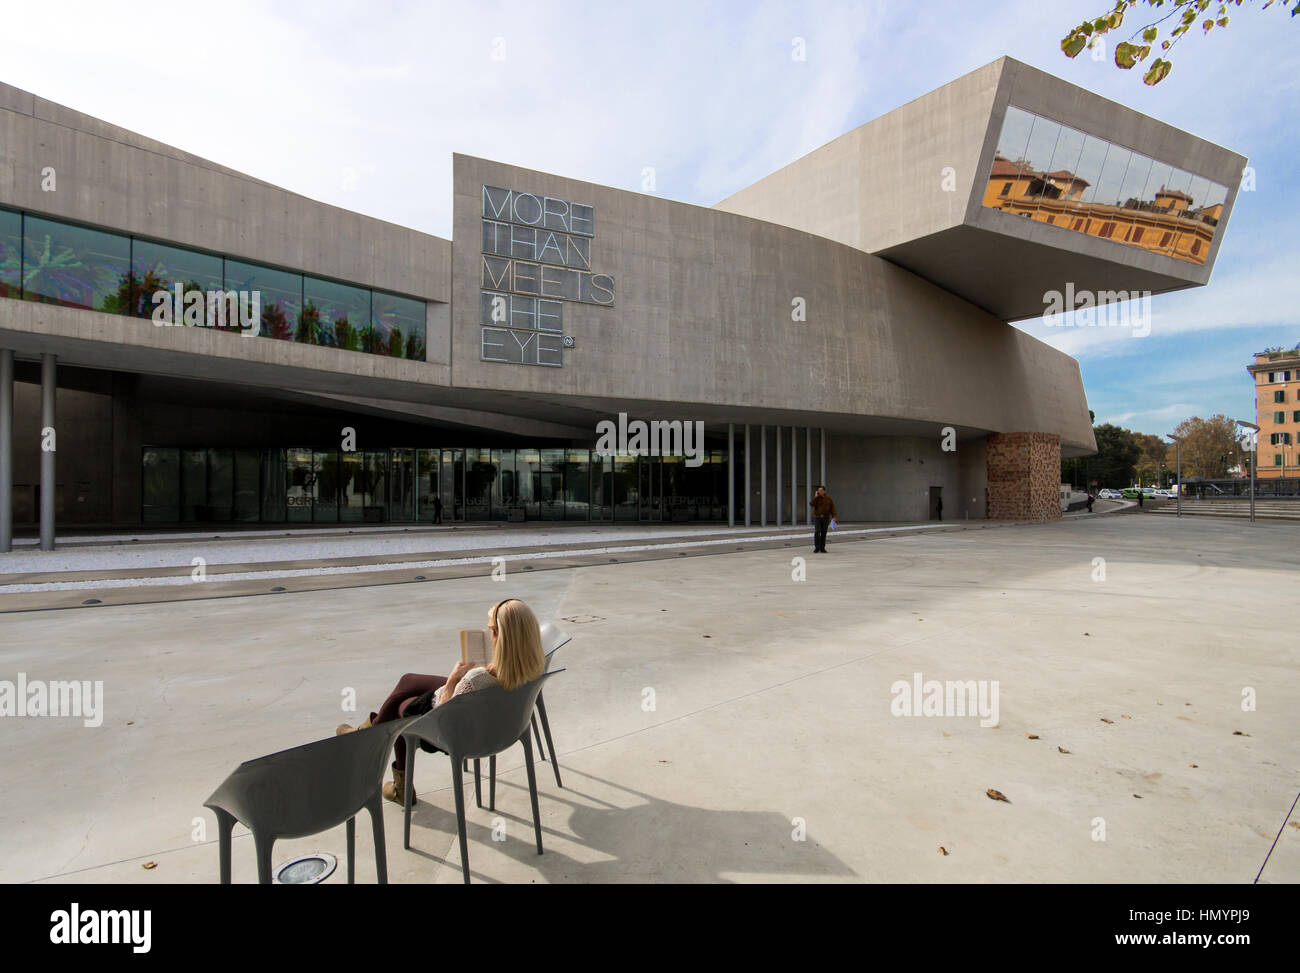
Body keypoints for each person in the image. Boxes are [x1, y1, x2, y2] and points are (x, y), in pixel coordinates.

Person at [336, 598, 546, 806]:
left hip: (456, 731)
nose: (488, 633)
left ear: (501, 637)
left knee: (399, 711)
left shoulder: (476, 680)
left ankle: (395, 777)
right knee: (408, 680)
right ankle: (369, 731)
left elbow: (445, 719)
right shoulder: (532, 667)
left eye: (491, 629)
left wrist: (454, 679)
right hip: (494, 724)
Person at [809, 484, 837, 553]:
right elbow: (811, 504)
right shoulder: (817, 498)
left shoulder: (828, 498)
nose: (819, 492)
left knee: (824, 532)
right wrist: (815, 497)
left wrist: (834, 516)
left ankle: (822, 548)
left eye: (821, 490)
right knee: (817, 532)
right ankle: (817, 547)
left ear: (824, 491)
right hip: (817, 518)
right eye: (818, 490)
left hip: (825, 518)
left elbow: (832, 508)